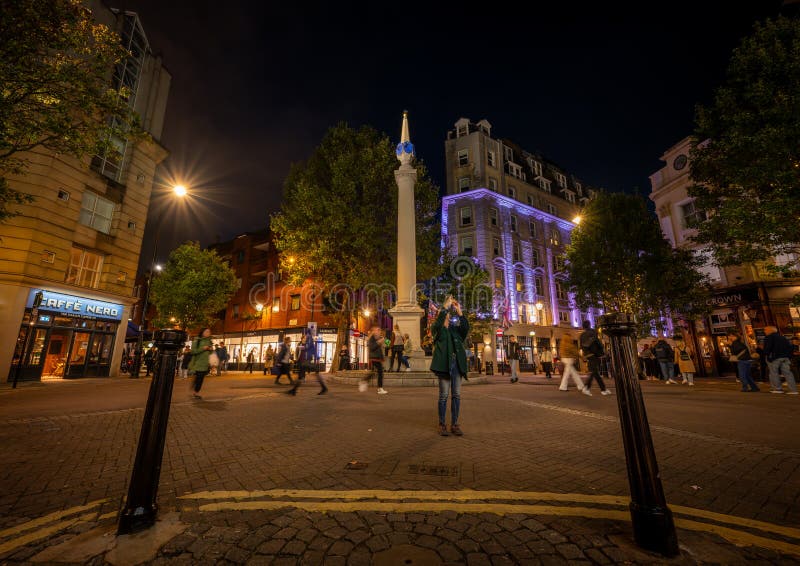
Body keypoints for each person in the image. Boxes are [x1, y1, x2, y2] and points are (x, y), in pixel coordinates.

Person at [430, 296, 470, 436]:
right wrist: (445, 306)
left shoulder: (455, 330)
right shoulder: (437, 329)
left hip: (457, 365)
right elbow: (439, 322)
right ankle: (442, 424)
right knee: (444, 396)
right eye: (444, 312)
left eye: (447, 312)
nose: (447, 314)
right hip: (444, 366)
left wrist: (459, 311)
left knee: (456, 395)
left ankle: (454, 424)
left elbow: (465, 328)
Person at [287, 330, 327, 396]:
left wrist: (317, 358)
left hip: (307, 362)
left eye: (307, 335)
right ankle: (294, 390)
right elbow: (298, 351)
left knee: (314, 373)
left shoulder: (309, 343)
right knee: (301, 376)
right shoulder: (301, 344)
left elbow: (313, 350)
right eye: (305, 336)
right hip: (302, 362)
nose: (306, 337)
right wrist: (296, 360)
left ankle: (324, 388)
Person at [762, 326, 799, 394]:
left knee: (774, 373)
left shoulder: (769, 337)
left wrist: (767, 355)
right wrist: (788, 356)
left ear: (770, 330)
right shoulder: (783, 337)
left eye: (765, 330)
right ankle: (793, 390)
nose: (764, 331)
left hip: (774, 358)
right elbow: (790, 347)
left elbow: (767, 348)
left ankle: (777, 389)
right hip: (785, 358)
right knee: (788, 373)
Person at [580, 321, 612, 396]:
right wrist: (602, 351)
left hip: (588, 354)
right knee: (594, 372)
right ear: (589, 325)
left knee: (595, 372)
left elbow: (581, 346)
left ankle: (603, 389)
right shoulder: (592, 332)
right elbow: (597, 342)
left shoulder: (582, 335)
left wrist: (584, 354)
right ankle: (587, 387)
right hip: (594, 354)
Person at [189, 328, 213, 399]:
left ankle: (195, 386)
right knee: (199, 378)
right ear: (202, 332)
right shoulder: (197, 341)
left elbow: (210, 353)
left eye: (209, 331)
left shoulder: (209, 342)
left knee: (201, 378)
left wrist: (211, 350)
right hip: (198, 363)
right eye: (207, 331)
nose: (209, 333)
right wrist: (203, 348)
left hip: (205, 364)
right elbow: (193, 352)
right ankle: (196, 392)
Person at [367, 326, 388, 394]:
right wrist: (379, 342)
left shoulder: (378, 338)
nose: (379, 331)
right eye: (377, 330)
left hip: (377, 358)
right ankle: (380, 388)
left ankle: (366, 380)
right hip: (374, 357)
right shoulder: (371, 338)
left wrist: (385, 341)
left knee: (377, 372)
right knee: (380, 372)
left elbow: (387, 344)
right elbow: (372, 347)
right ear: (374, 331)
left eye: (379, 330)